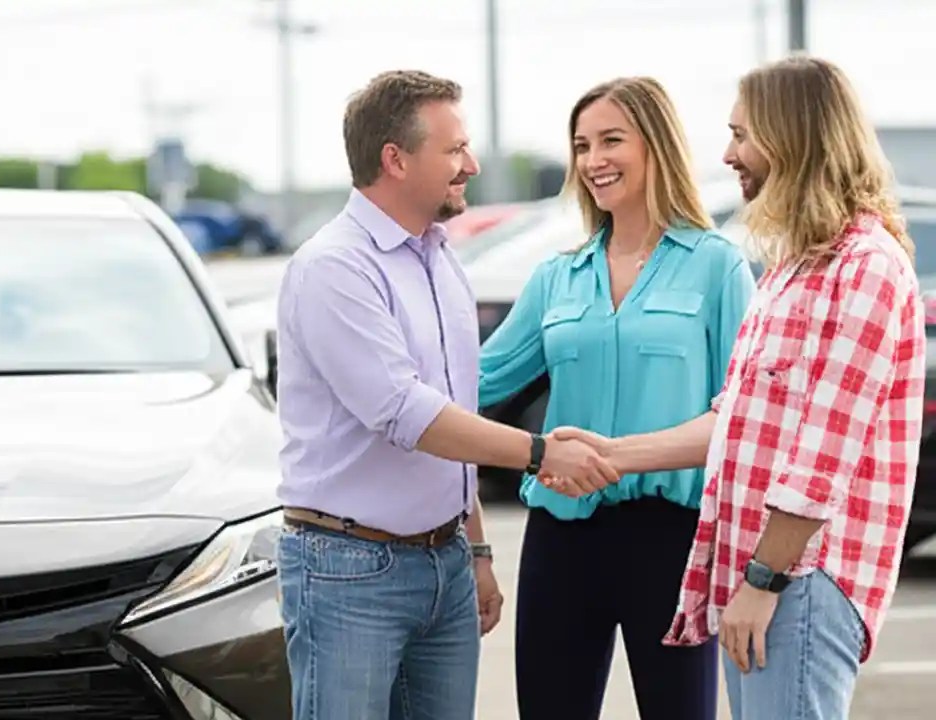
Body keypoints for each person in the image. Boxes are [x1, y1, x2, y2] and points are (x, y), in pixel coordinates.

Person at [557, 56, 925, 720]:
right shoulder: (792, 269)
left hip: (801, 580)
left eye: (743, 135)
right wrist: (611, 455)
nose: (729, 154)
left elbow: (823, 453)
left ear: (794, 137)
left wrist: (763, 581)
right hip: (764, 575)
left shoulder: (867, 268)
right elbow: (736, 420)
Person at [273, 69, 619, 720]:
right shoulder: (333, 268)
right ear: (395, 159)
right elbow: (404, 412)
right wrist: (542, 452)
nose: (472, 164)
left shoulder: (440, 259)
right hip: (349, 572)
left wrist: (476, 548)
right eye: (454, 149)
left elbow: (452, 411)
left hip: (445, 565)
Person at [477, 76, 756, 719]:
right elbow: (472, 385)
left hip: (671, 541)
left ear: (655, 145)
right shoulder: (557, 277)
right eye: (581, 145)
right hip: (560, 540)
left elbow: (740, 415)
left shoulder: (717, 266)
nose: (593, 160)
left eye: (611, 141)